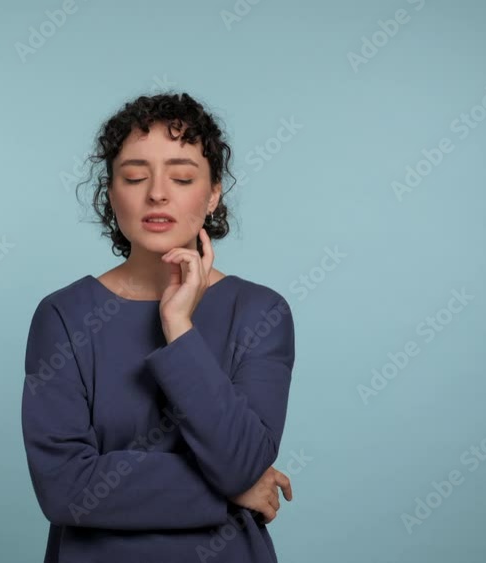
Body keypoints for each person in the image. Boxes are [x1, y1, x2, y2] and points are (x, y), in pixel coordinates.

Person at [21, 92, 296, 563]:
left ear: (213, 195)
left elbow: (244, 462)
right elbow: (64, 488)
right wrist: (226, 492)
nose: (157, 193)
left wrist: (178, 325)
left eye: (183, 176)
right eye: (134, 176)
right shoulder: (63, 316)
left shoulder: (260, 311)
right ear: (110, 193)